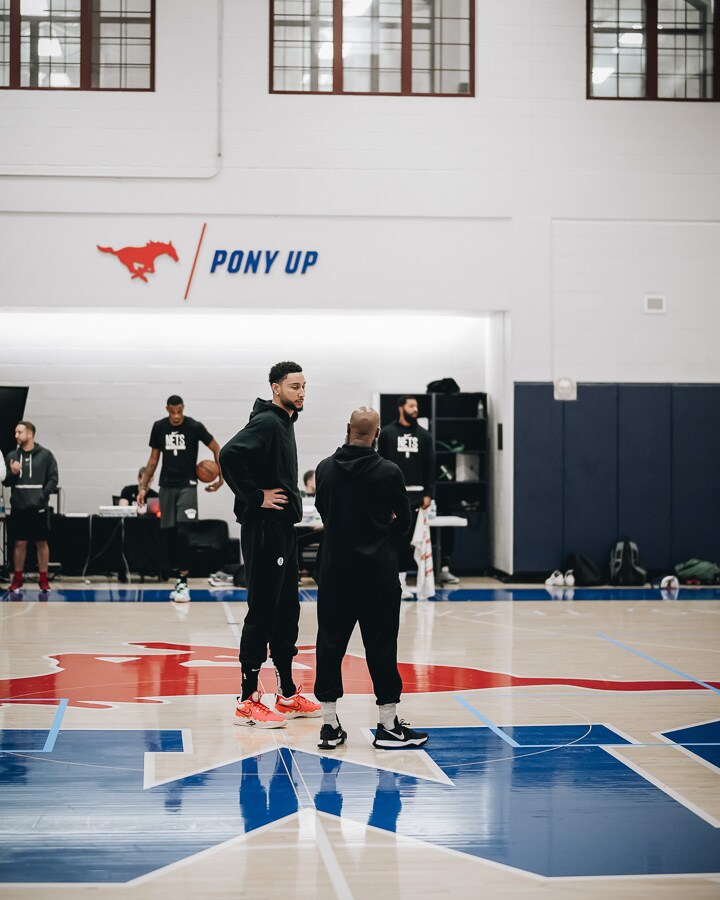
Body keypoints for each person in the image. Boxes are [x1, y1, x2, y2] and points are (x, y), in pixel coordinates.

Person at [313, 406, 428, 750]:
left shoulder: (325, 469)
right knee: (381, 647)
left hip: (335, 572)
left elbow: (323, 510)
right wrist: (382, 542)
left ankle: (330, 726)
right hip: (377, 574)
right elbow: (405, 519)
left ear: (347, 428)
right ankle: (388, 726)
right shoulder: (389, 471)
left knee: (330, 646)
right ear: (378, 433)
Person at [219, 361, 320, 728]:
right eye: (295, 386)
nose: (302, 392)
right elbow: (228, 454)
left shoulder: (283, 422)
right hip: (264, 528)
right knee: (263, 610)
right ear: (276, 388)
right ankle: (246, 700)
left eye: (304, 386)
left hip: (283, 529)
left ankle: (288, 693)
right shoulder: (266, 422)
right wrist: (253, 496)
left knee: (286, 612)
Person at [137, 395, 223, 603]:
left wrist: (221, 476)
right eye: (172, 412)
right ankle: (177, 576)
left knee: (184, 531)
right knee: (169, 534)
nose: (176, 416)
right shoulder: (159, 427)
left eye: (179, 412)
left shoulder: (194, 426)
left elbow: (216, 448)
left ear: (183, 408)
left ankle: (183, 581)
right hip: (166, 486)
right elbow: (153, 459)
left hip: (188, 486)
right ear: (167, 409)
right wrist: (143, 487)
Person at [378, 395, 459, 594]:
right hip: (392, 496)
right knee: (392, 541)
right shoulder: (387, 433)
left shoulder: (424, 435)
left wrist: (429, 493)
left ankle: (404, 582)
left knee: (409, 541)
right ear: (401, 408)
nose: (415, 409)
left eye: (417, 406)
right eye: (411, 405)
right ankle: (392, 581)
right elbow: (381, 464)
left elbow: (430, 467)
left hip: (416, 497)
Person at [3, 421, 59, 593]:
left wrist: (43, 495)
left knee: (42, 543)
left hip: (39, 507)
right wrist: (13, 473)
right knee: (19, 543)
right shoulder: (12, 455)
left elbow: (53, 478)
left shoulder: (46, 455)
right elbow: (6, 483)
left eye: (19, 432)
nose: (16, 436)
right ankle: (17, 580)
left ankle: (43, 580)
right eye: (15, 432)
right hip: (19, 507)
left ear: (30, 434)